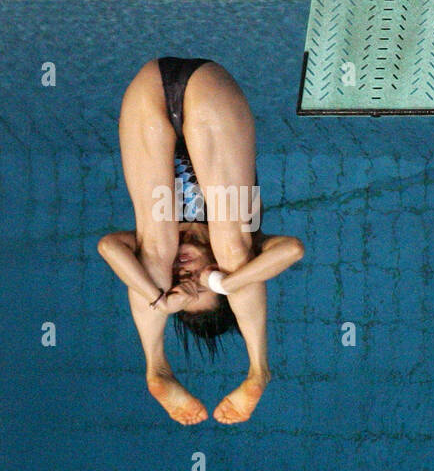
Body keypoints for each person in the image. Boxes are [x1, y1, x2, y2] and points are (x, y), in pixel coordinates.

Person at [99, 58, 303, 424]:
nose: (185, 273)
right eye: (199, 281)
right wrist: (226, 280)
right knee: (233, 249)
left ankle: (156, 365)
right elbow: (293, 250)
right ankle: (259, 368)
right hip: (210, 94)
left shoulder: (157, 243)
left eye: (181, 282)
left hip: (150, 91)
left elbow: (108, 249)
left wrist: (159, 298)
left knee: (153, 251)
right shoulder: (245, 239)